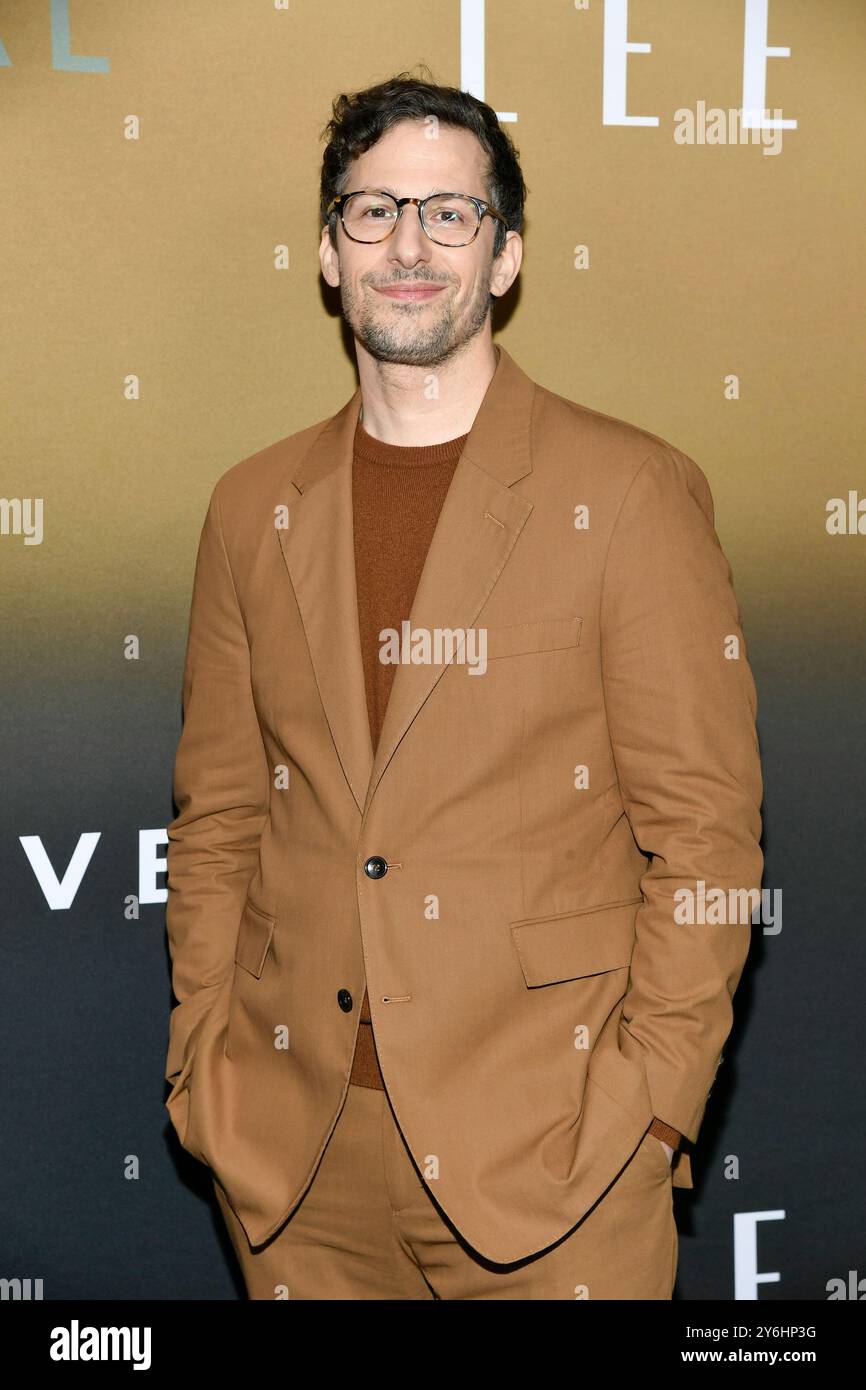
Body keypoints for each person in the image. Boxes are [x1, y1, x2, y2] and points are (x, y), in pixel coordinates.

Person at [164, 69, 763, 1299]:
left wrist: (649, 1110)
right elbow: (221, 814)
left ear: (505, 258)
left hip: (552, 1156)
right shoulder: (248, 507)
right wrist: (201, 1064)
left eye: (450, 213)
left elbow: (703, 840)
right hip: (293, 1160)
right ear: (329, 253)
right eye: (373, 209)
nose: (408, 246)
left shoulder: (631, 494)